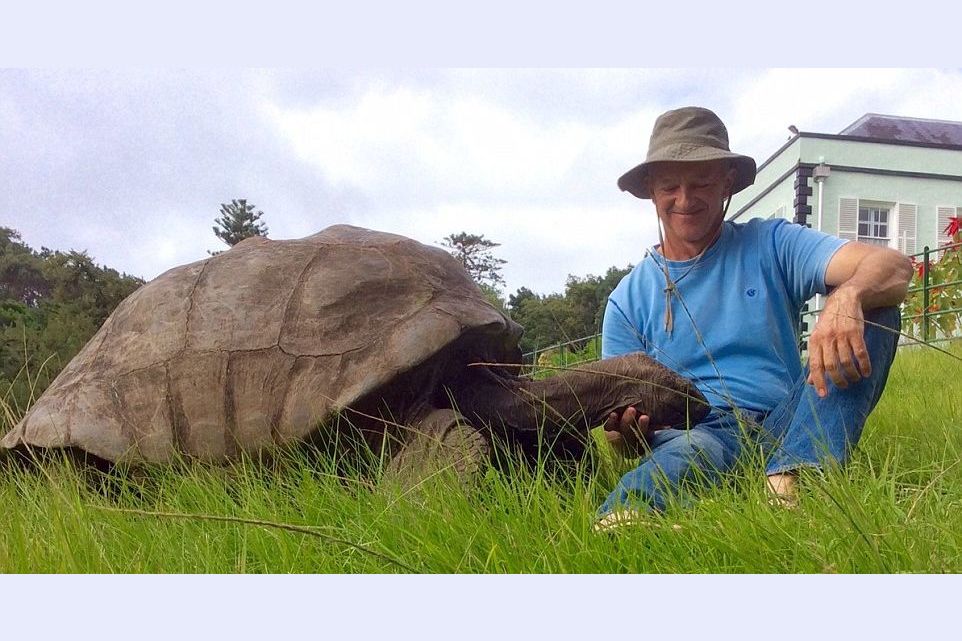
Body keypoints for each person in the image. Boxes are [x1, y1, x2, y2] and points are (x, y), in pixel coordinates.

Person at [595, 106, 913, 531]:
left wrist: (848, 296)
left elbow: (891, 266)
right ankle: (627, 516)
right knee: (690, 451)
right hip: (696, 430)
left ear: (727, 182)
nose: (685, 200)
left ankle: (789, 481)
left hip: (789, 417)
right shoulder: (626, 301)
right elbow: (619, 439)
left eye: (702, 182)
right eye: (670, 185)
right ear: (651, 190)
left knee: (877, 309)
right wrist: (626, 435)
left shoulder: (773, 242)